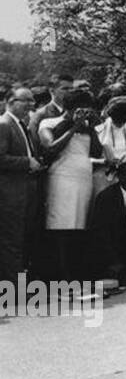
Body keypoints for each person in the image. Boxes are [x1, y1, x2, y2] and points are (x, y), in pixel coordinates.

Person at [39, 91, 104, 279]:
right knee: (61, 226)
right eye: (80, 108)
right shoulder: (49, 123)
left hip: (83, 179)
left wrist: (91, 128)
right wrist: (73, 127)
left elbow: (96, 152)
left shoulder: (86, 127)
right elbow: (50, 149)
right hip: (61, 179)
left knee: (80, 227)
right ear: (69, 108)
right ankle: (62, 276)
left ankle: (77, 274)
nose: (84, 113)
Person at [1, 86, 43, 285]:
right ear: (10, 101)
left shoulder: (21, 124)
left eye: (32, 101)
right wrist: (27, 162)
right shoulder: (4, 124)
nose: (31, 105)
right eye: (25, 100)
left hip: (25, 191)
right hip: (11, 194)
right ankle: (14, 289)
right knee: (12, 242)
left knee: (22, 240)